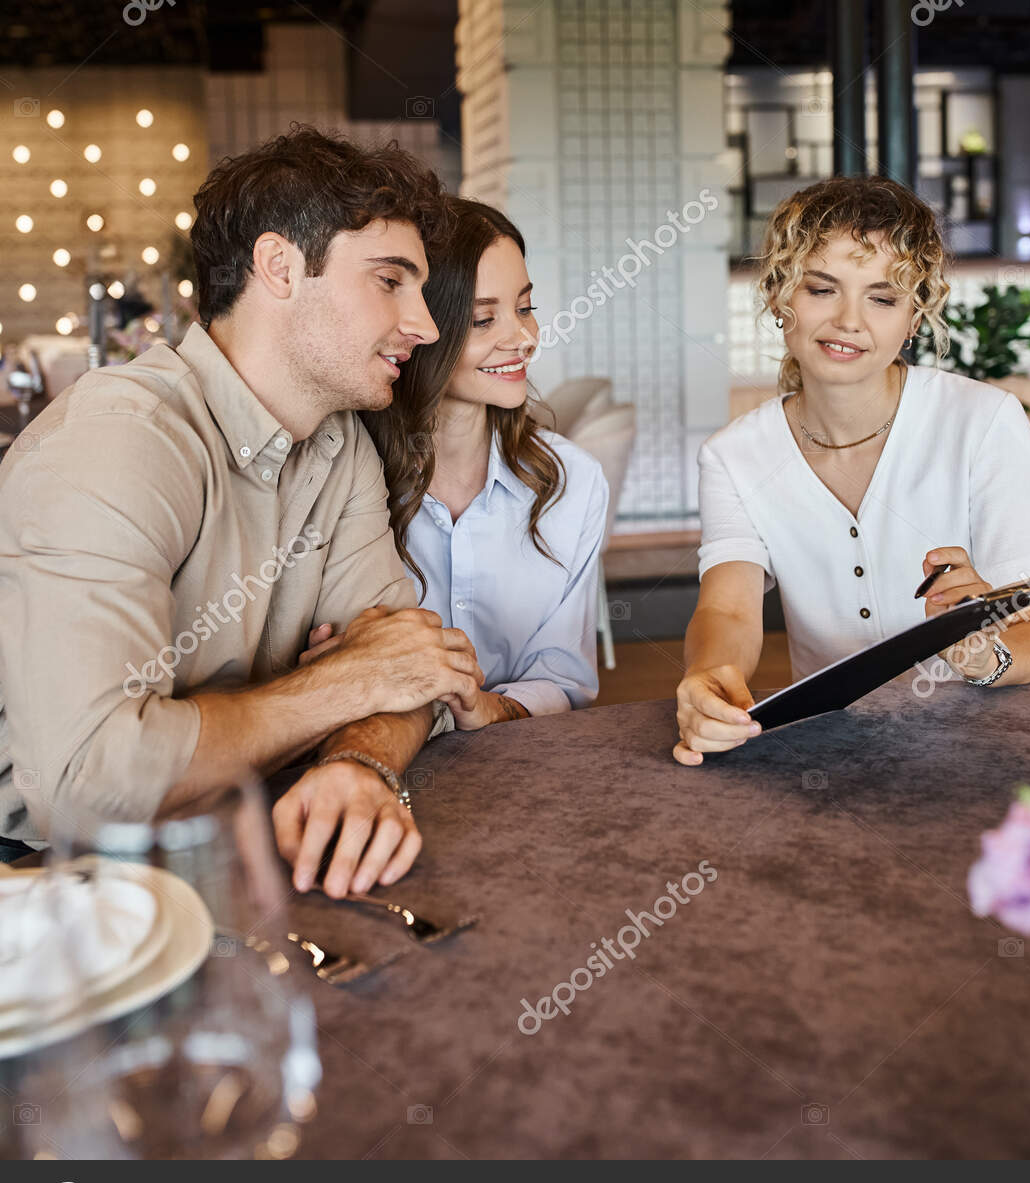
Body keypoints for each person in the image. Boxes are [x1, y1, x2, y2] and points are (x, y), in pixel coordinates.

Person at [0, 127, 487, 896]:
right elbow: (90, 791)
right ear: (280, 267)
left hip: (245, 835)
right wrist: (341, 688)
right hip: (52, 886)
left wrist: (356, 762)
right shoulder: (119, 443)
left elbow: (411, 673)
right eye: (391, 281)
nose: (426, 326)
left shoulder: (336, 442)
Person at [675, 174, 1030, 765]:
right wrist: (708, 680)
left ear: (914, 317)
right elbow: (728, 608)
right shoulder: (734, 455)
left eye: (882, 298)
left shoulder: (984, 422)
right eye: (822, 289)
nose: (849, 321)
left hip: (993, 750)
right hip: (840, 754)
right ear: (781, 297)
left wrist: (986, 654)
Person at [355, 196, 611, 724]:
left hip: (518, 766)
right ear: (418, 330)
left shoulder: (572, 483)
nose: (523, 338)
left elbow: (564, 677)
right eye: (481, 320)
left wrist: (490, 709)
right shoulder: (348, 484)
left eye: (524, 308)